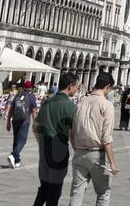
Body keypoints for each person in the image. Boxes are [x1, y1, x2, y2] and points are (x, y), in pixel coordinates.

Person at [68, 73, 120, 206]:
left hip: (79, 153)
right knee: (103, 193)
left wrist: (78, 150)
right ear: (107, 86)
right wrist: (112, 163)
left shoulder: (81, 102)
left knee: (76, 192)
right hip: (98, 155)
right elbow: (106, 137)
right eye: (110, 89)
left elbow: (72, 133)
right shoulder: (106, 105)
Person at [32, 74, 79, 206]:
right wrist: (77, 151)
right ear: (70, 86)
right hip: (59, 150)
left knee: (44, 188)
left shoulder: (47, 102)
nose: (77, 89)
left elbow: (35, 127)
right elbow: (73, 134)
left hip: (44, 148)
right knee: (54, 190)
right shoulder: (70, 107)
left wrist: (41, 143)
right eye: (76, 86)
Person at [9, 82, 40, 169]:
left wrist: (8, 121)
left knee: (16, 140)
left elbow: (11, 108)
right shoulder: (31, 97)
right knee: (22, 140)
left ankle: (17, 160)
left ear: (23, 87)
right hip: (24, 121)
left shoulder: (18, 95)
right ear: (31, 88)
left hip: (15, 120)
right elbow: (34, 111)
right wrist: (35, 123)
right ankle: (13, 155)